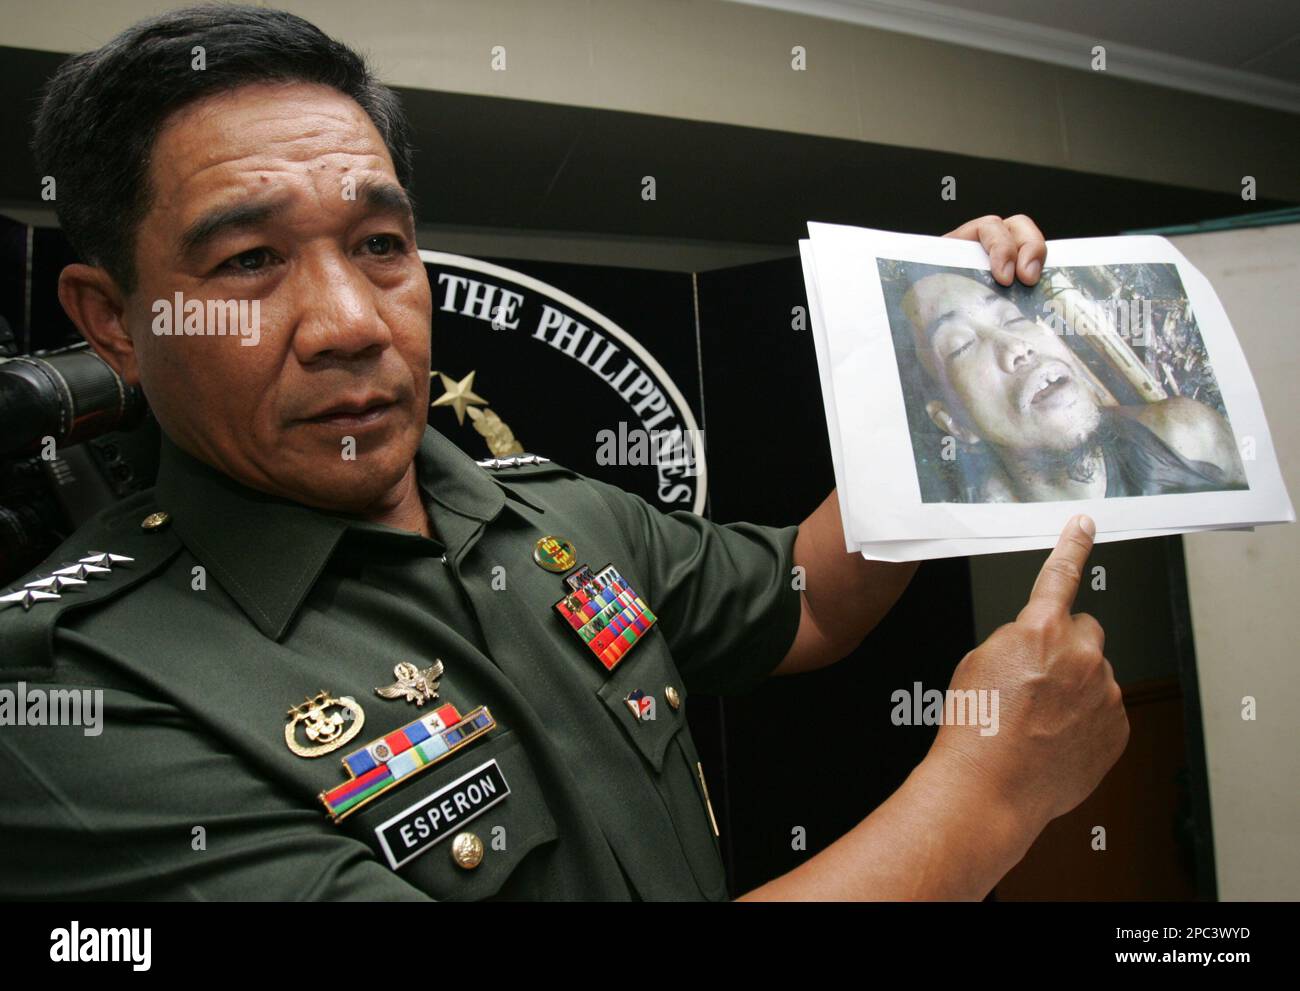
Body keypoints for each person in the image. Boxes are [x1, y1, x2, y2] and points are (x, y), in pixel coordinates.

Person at [0, 4, 1127, 901]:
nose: (350, 321)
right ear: (114, 321)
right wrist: (987, 793)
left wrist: (933, 369)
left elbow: (814, 602)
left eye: (380, 244)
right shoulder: (68, 693)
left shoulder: (554, 519)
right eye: (248, 261)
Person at [902, 272, 1247, 503]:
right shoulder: (977, 530)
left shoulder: (1187, 434)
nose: (1016, 347)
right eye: (960, 345)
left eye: (1013, 319)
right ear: (954, 423)